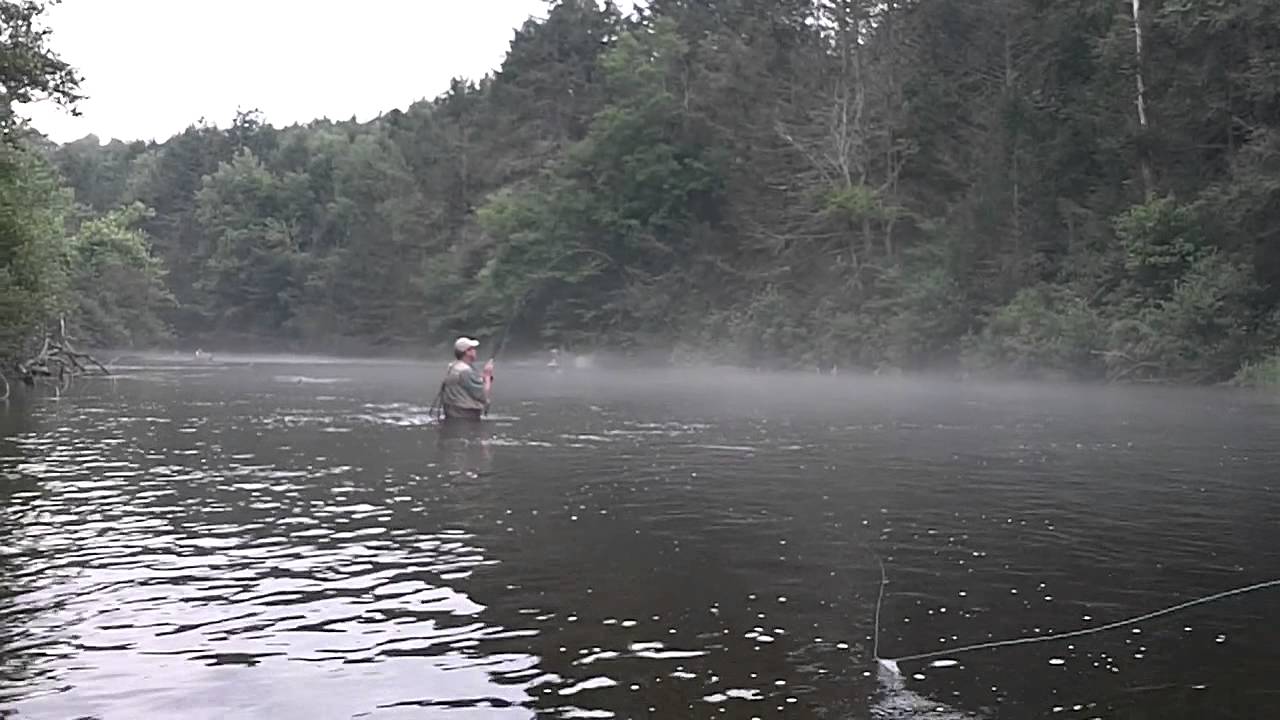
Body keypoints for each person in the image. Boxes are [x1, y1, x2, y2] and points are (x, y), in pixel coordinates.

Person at [438, 336, 494, 420]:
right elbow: (483, 395)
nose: (475, 351)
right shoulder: (465, 371)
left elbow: (465, 384)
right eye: (472, 349)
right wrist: (487, 375)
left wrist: (483, 378)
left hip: (451, 413)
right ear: (467, 352)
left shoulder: (452, 366)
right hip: (466, 416)